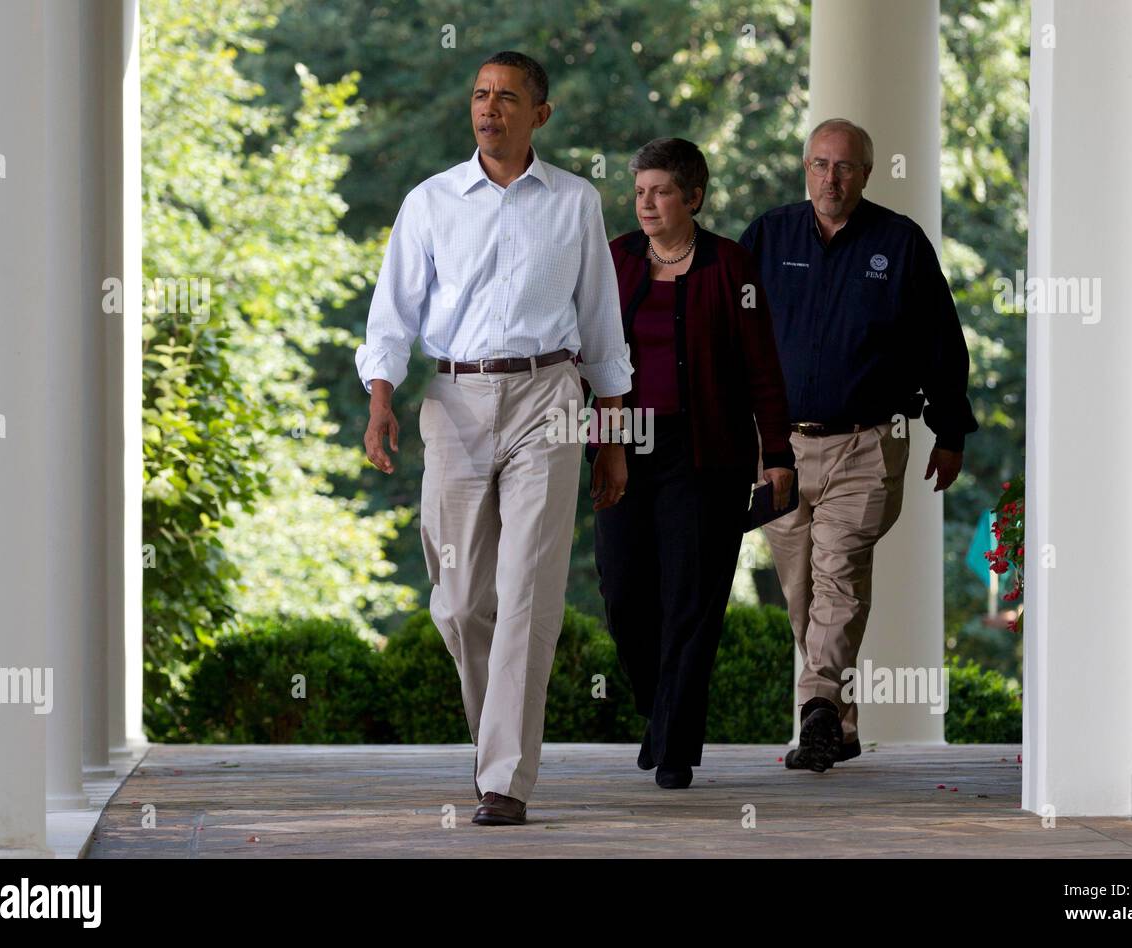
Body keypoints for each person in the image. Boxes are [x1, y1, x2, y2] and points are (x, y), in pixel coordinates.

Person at [356, 51, 633, 825]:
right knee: (459, 601)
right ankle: (494, 743)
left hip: (551, 395)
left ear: (539, 115)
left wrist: (610, 436)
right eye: (480, 95)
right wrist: (381, 401)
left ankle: (506, 779)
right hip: (455, 397)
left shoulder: (576, 202)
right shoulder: (431, 202)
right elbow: (392, 317)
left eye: (508, 97)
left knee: (528, 592)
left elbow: (603, 327)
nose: (490, 108)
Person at [739, 118, 978, 774]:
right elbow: (732, 335)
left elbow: (941, 342)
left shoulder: (899, 245)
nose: (830, 178)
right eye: (819, 164)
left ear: (866, 174)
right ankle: (838, 721)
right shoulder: (767, 236)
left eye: (844, 167)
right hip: (780, 448)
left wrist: (950, 429)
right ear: (804, 168)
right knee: (801, 592)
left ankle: (814, 708)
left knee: (837, 575)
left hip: (868, 444)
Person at [585, 137, 795, 789]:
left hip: (708, 454)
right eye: (640, 191)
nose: (646, 203)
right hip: (624, 445)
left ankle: (675, 746)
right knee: (622, 595)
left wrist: (778, 456)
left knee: (693, 599)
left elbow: (762, 366)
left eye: (661, 191)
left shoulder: (732, 266)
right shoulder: (614, 260)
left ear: (693, 197)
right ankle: (661, 710)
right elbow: (579, 348)